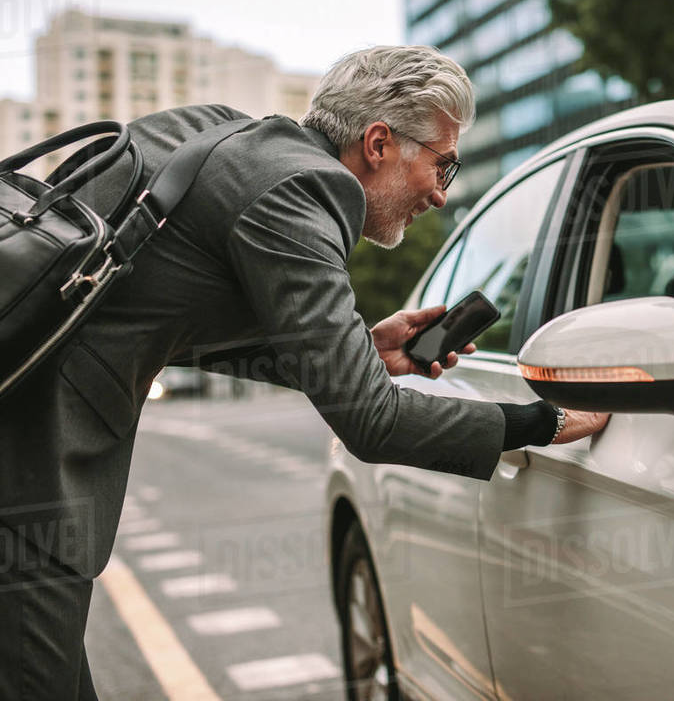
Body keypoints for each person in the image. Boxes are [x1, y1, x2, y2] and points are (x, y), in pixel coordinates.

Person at [0, 45, 609, 700]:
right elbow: (373, 422)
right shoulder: (305, 189)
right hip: (27, 463)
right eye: (442, 164)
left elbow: (151, 318)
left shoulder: (220, 132)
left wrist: (357, 350)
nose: (439, 193)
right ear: (378, 142)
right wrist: (542, 421)